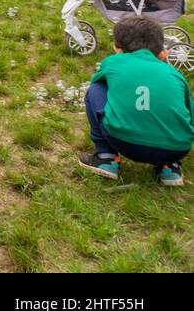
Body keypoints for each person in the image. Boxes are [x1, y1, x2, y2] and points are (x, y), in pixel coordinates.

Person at [78, 16, 193, 186]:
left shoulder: (113, 62)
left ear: (117, 48)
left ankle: (106, 158)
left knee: (96, 89)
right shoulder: (175, 74)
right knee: (175, 104)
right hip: (177, 148)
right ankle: (169, 168)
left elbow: (98, 81)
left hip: (124, 141)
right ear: (163, 53)